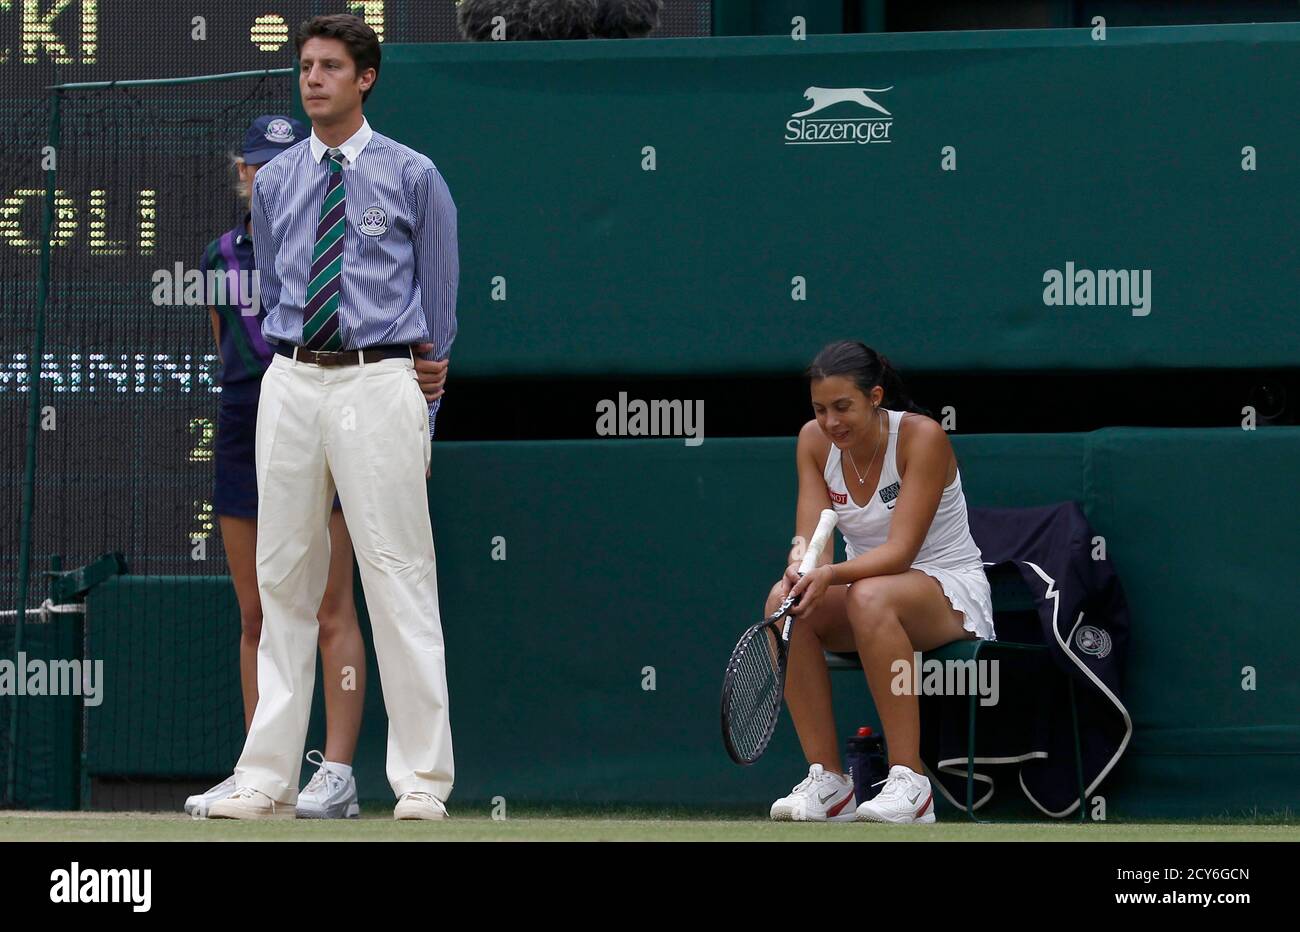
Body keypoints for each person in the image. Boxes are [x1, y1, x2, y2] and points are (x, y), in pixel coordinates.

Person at [206, 13, 458, 821]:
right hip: (291, 379)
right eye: (306, 66)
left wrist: (426, 409)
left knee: (400, 579)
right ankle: (265, 778)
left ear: (365, 78)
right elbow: (280, 287)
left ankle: (422, 782)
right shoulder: (276, 181)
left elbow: (440, 304)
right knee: (283, 580)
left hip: (379, 379)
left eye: (329, 67)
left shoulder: (415, 174)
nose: (313, 78)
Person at [766, 341, 994, 825]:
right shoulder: (812, 442)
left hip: (945, 591)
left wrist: (828, 575)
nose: (831, 422)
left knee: (869, 595)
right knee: (783, 601)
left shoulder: (922, 437)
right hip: (869, 595)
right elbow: (812, 538)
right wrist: (801, 565)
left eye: (843, 407)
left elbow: (900, 554)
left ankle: (910, 782)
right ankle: (829, 779)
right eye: (820, 409)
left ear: (875, 396)